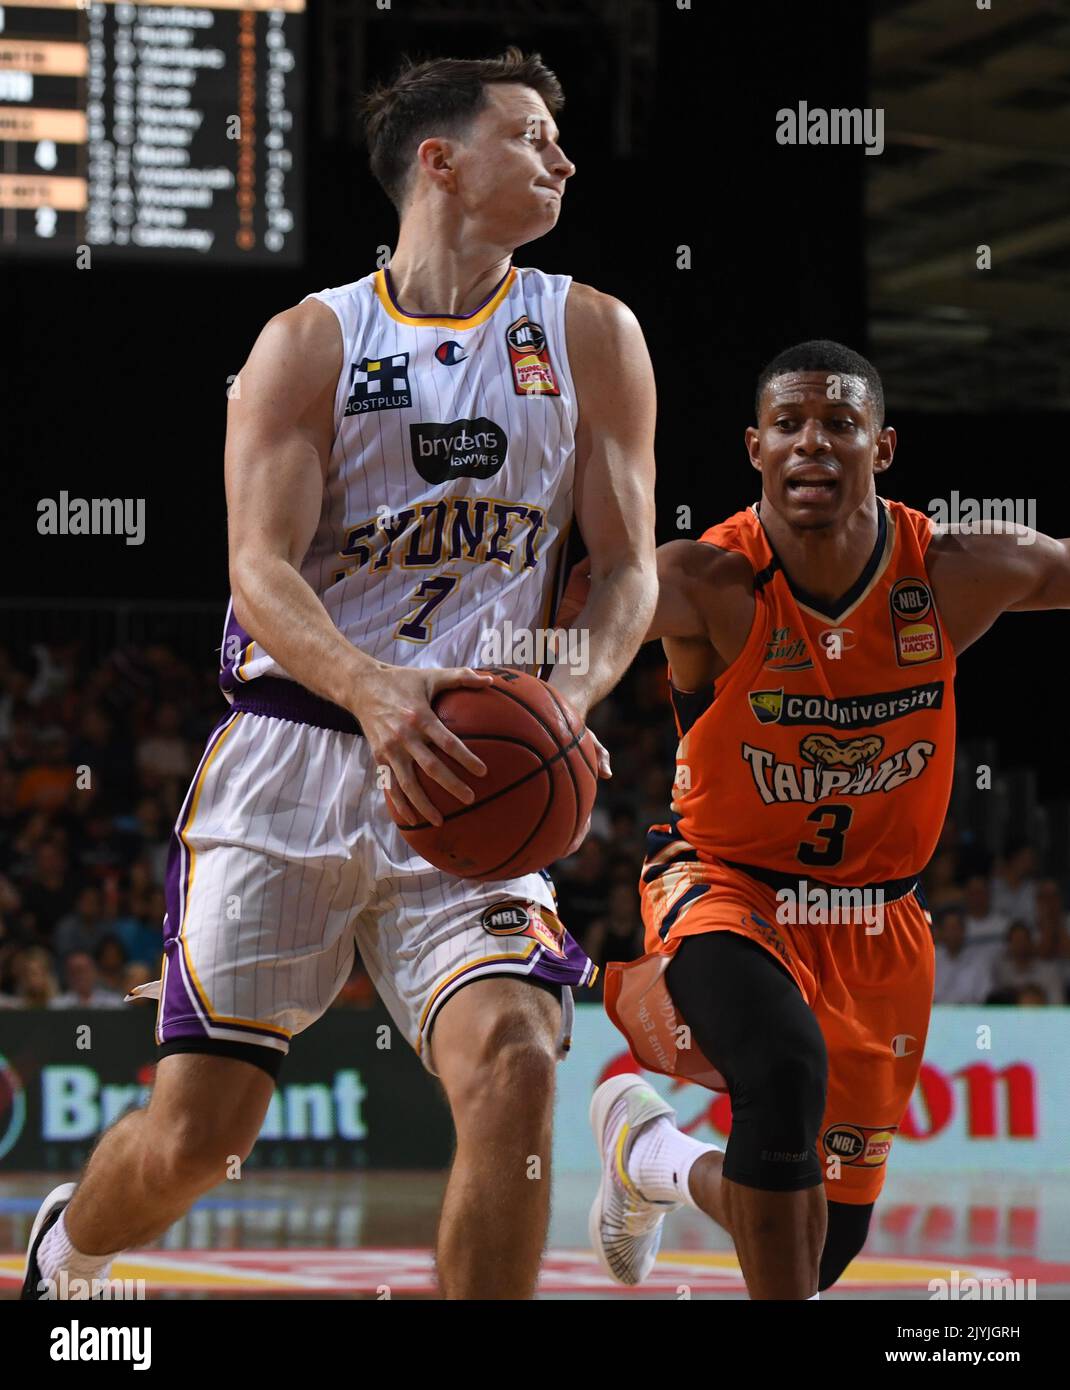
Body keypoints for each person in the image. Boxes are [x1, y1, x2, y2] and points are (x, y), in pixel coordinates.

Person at [22, 47, 657, 1302]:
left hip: (478, 762)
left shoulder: (590, 331)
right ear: (441, 161)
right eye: (530, 135)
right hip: (296, 755)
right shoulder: (306, 342)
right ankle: (71, 1253)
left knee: (519, 1065)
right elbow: (258, 568)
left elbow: (627, 568)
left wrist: (566, 699)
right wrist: (372, 689)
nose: (562, 159)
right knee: (194, 1138)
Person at [584, 339, 1070, 1299]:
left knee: (817, 1244)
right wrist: (560, 700)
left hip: (879, 921)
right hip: (724, 888)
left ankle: (654, 1157)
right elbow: (581, 617)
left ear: (881, 448)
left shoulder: (957, 572)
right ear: (754, 447)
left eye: (840, 424)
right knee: (783, 1066)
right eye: (791, 425)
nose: (814, 443)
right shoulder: (706, 579)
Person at [932, 908, 997, 1005]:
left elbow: (985, 995)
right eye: (948, 928)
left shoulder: (978, 960)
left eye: (955, 928)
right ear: (942, 932)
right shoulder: (933, 958)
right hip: (938, 1014)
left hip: (969, 1015)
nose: (952, 933)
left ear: (963, 931)